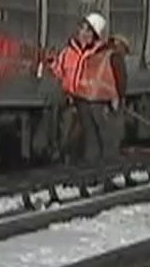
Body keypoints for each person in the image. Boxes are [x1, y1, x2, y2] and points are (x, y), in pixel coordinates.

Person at [51, 12, 127, 164]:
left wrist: (117, 97)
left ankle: (104, 170)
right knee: (86, 140)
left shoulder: (102, 55)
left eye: (88, 31)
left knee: (104, 138)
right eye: (82, 29)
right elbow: (57, 72)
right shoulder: (68, 52)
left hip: (100, 102)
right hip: (76, 101)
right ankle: (89, 170)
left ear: (96, 35)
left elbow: (118, 79)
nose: (83, 34)